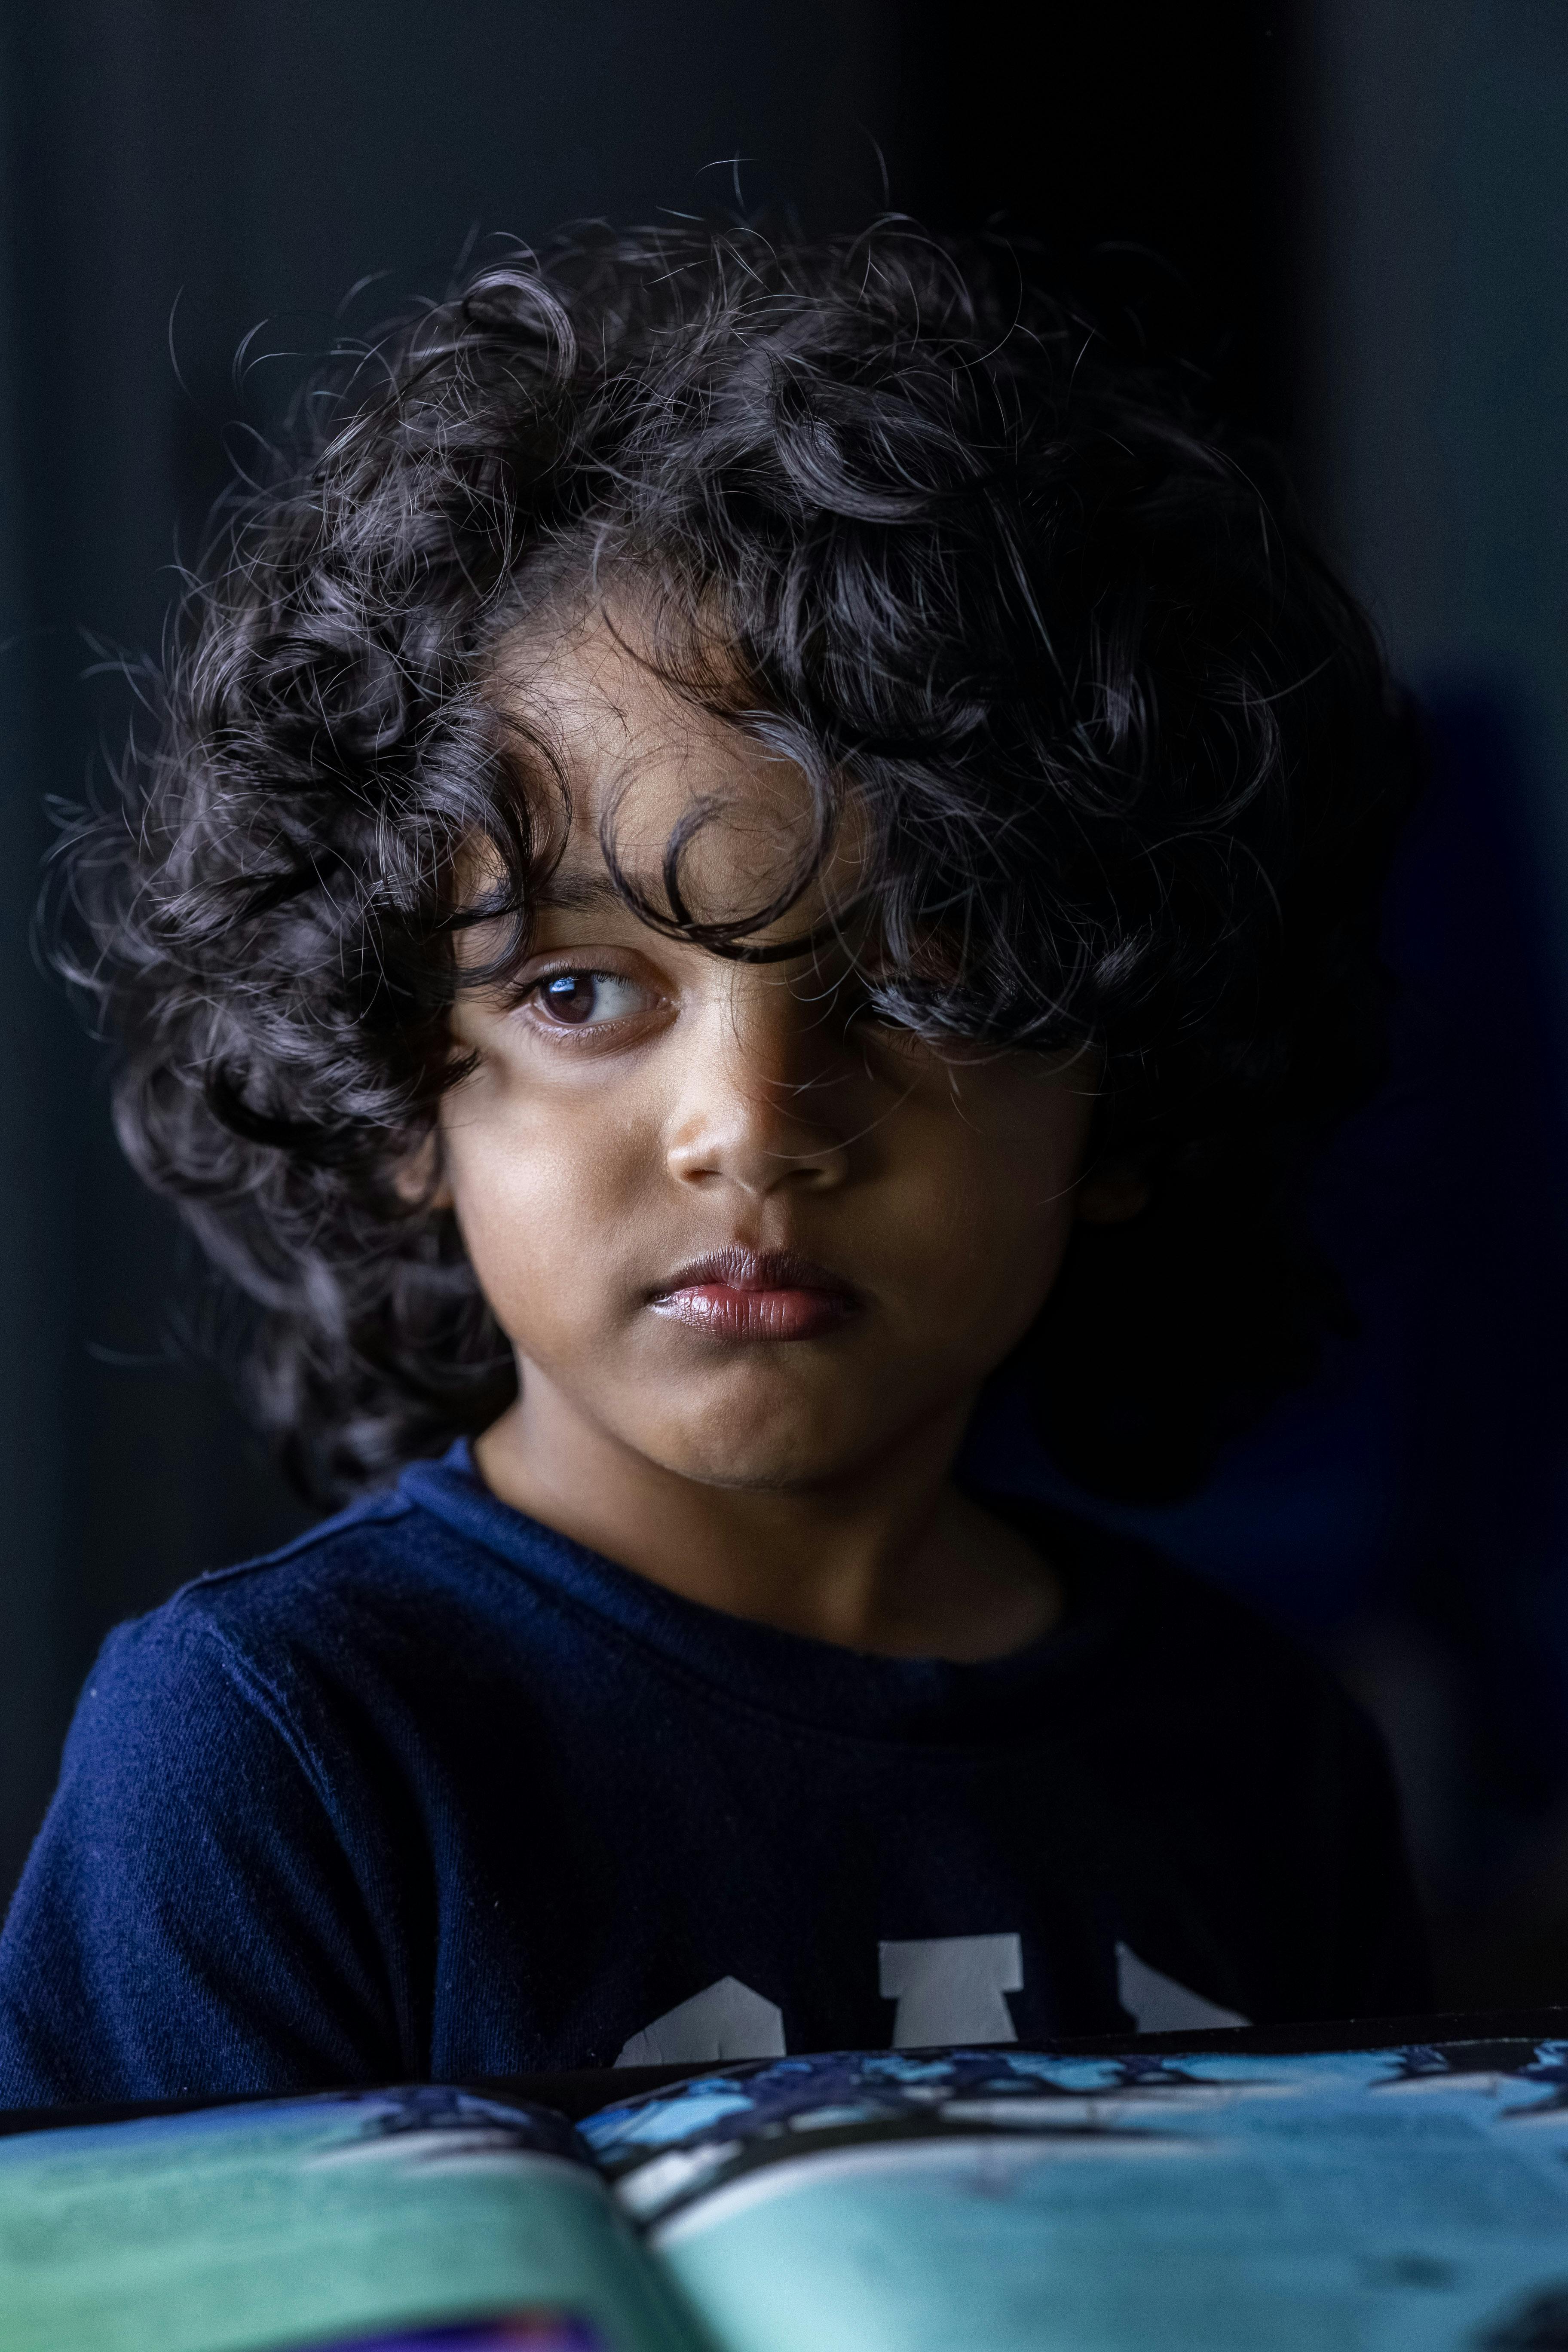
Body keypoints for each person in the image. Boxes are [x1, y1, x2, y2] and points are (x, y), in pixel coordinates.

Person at [0, 227, 1427, 2104]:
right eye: (585, 989)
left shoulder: (1262, 1755)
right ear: (401, 1080)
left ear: (1132, 1094)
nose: (752, 1126)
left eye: (923, 990)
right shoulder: (277, 1752)